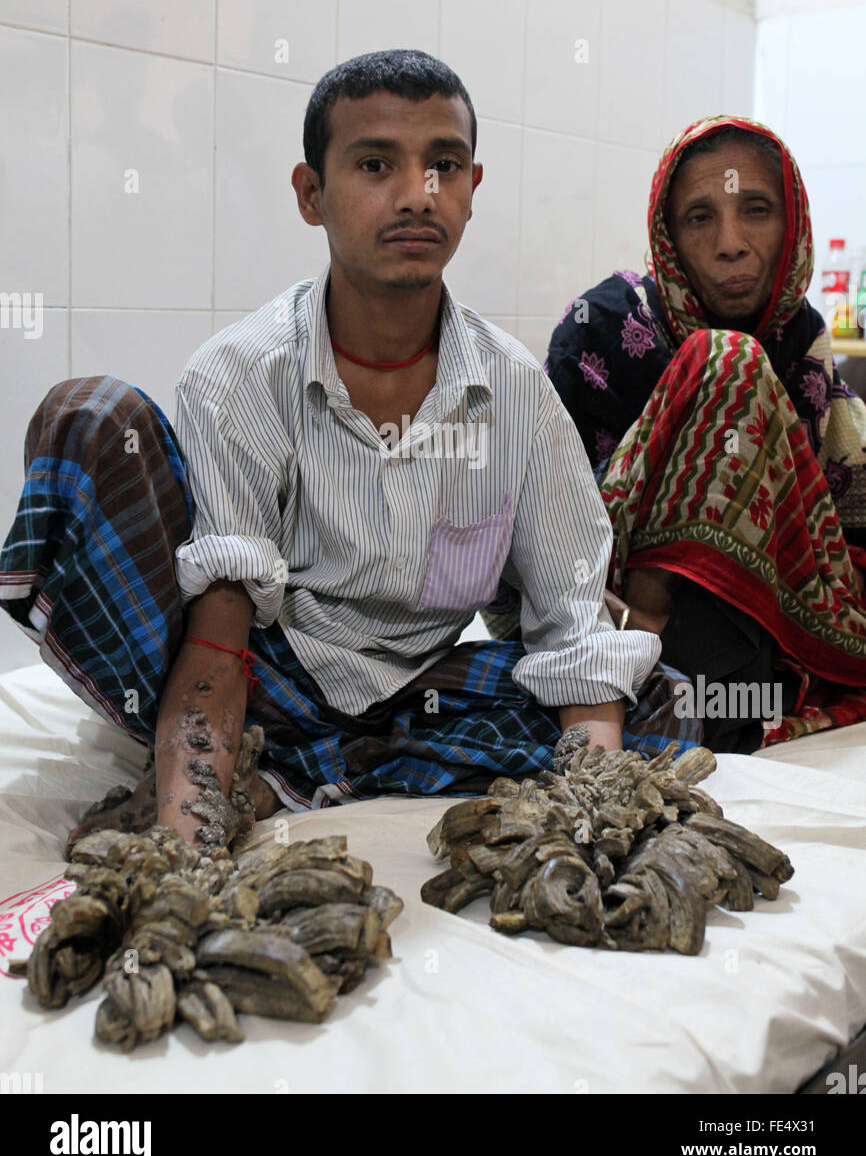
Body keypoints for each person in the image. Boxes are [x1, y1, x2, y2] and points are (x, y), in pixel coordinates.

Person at [0, 49, 672, 853]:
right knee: (91, 417)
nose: (418, 195)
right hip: (254, 674)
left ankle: (291, 774)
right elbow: (219, 629)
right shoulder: (240, 373)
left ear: (471, 189)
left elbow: (572, 627)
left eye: (444, 165)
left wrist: (592, 818)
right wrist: (190, 833)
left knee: (652, 698)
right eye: (377, 164)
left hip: (413, 690)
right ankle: (252, 765)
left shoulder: (516, 394)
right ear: (311, 194)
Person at [541, 114, 866, 753]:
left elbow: (842, 493)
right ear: (668, 234)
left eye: (756, 209)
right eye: (699, 217)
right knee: (730, 362)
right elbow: (535, 520)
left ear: (792, 222)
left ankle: (725, 696)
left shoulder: (801, 338)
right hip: (600, 616)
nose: (730, 242)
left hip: (751, 625)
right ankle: (658, 648)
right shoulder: (603, 329)